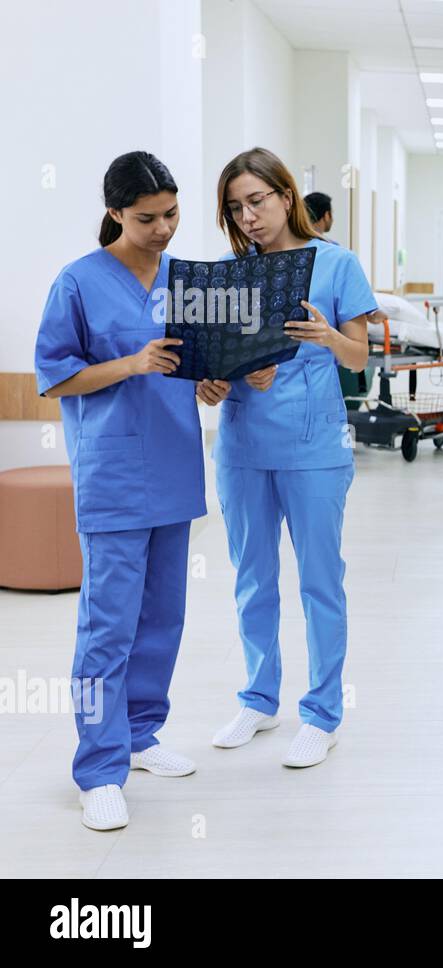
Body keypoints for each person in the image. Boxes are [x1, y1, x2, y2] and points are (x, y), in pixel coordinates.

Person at [34, 151, 230, 830]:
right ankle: (98, 767)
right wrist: (129, 363)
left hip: (175, 464)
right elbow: (55, 375)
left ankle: (141, 734)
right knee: (106, 627)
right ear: (115, 212)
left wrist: (209, 384)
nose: (163, 228)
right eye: (147, 218)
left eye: (172, 214)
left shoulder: (186, 281)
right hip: (115, 476)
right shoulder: (79, 283)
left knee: (161, 620)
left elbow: (193, 367)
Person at [208, 147, 374, 768]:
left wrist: (326, 337)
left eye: (256, 201)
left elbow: (358, 358)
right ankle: (258, 698)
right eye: (235, 207)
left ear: (285, 195)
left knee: (319, 580)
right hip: (243, 447)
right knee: (252, 577)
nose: (248, 217)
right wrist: (216, 381)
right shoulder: (229, 273)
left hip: (313, 450)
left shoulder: (335, 265)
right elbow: (221, 359)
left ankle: (322, 712)